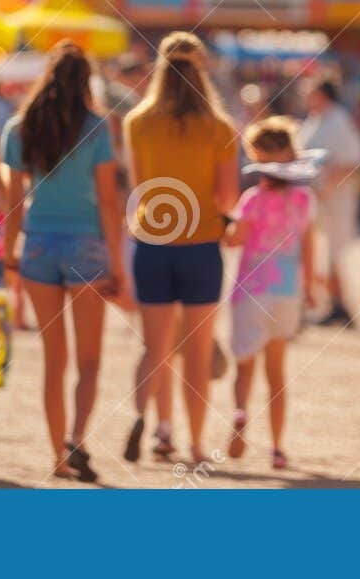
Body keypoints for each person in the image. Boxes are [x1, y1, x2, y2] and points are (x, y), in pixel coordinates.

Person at [1, 42, 126, 483]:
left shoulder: (20, 127)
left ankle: (56, 456)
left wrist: (9, 252)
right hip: (86, 246)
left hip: (38, 246)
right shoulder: (98, 128)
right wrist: (118, 263)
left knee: (55, 360)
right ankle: (77, 437)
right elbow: (109, 202)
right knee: (89, 359)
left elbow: (14, 201)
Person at [123, 31, 238, 466]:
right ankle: (194, 443)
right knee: (198, 350)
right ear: (201, 68)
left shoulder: (138, 121)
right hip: (202, 244)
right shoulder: (220, 127)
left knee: (157, 348)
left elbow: (139, 187)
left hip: (152, 242)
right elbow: (227, 195)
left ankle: (159, 427)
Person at [225, 118, 317, 470]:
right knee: (276, 372)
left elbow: (235, 240)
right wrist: (310, 287)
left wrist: (224, 227)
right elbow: (308, 243)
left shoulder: (252, 199)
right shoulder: (303, 199)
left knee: (244, 366)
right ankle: (277, 448)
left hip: (250, 290)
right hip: (286, 288)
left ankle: (239, 411)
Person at [297, 73, 360, 328]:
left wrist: (324, 189)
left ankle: (338, 304)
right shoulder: (316, 121)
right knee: (319, 252)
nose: (304, 97)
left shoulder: (338, 121)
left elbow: (352, 162)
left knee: (332, 253)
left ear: (322, 94)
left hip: (333, 200)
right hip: (315, 200)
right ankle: (332, 303)